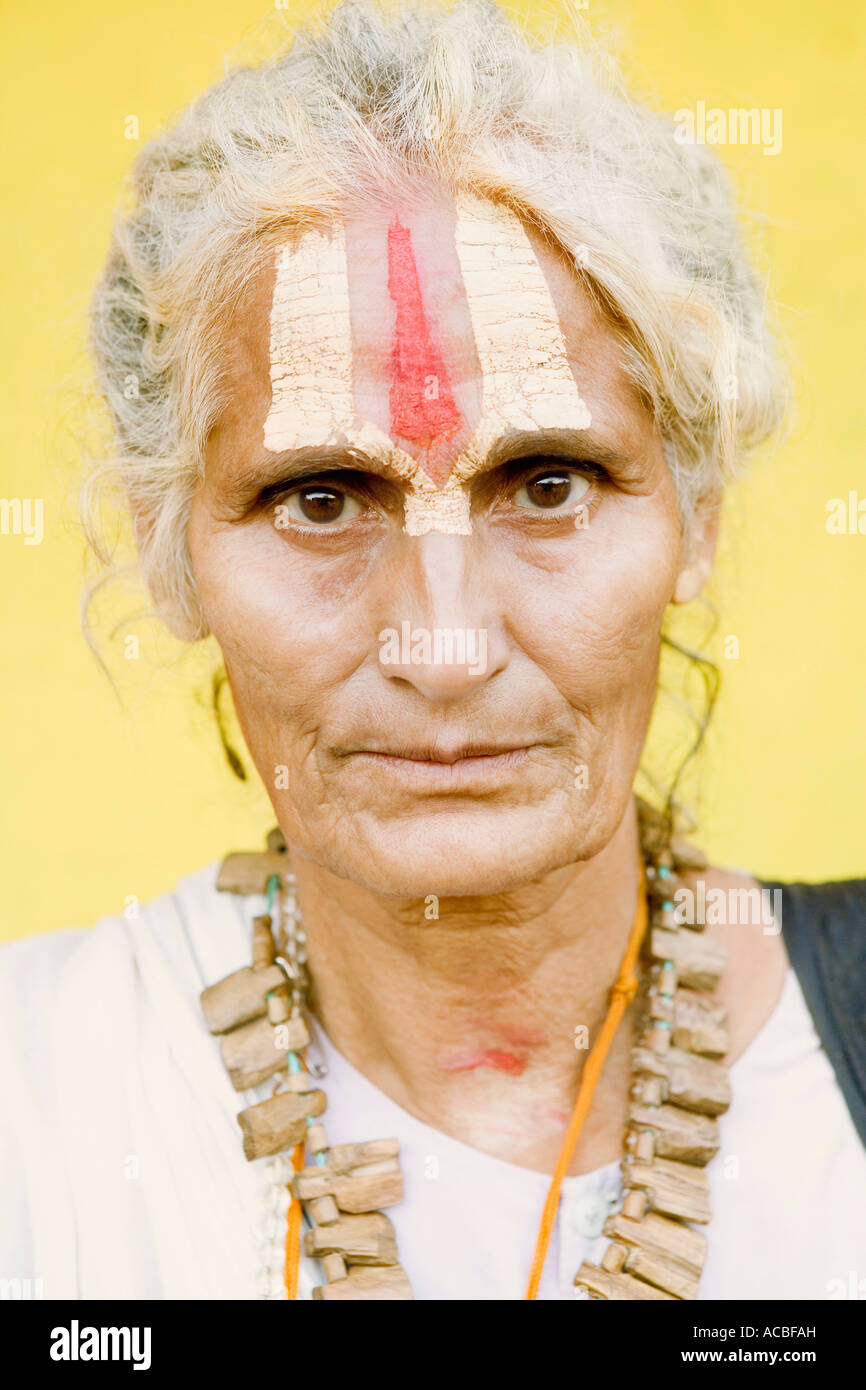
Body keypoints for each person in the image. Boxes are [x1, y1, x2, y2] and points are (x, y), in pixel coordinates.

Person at [1, 0, 864, 1302]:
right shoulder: (37, 1104)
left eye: (548, 480)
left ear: (697, 518)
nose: (444, 641)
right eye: (322, 497)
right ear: (170, 548)